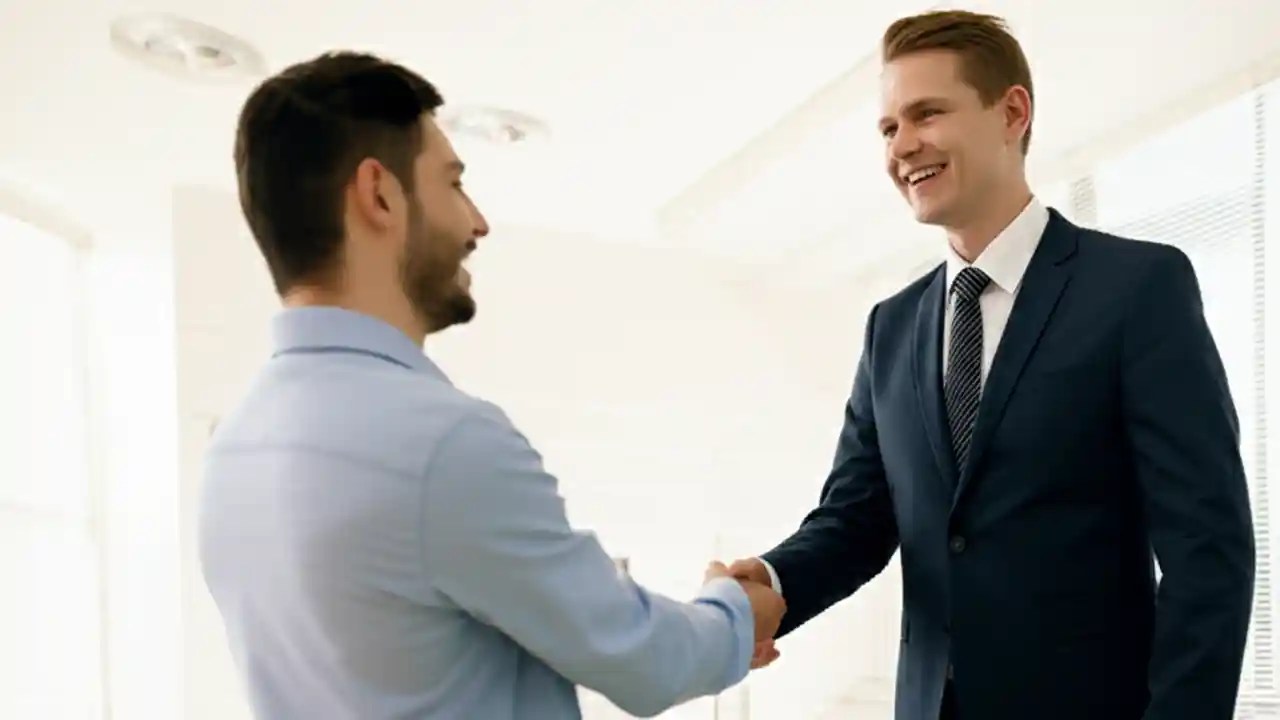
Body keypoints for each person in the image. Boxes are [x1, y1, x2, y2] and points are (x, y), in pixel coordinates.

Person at [197, 51, 785, 720]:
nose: (477, 222)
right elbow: (645, 662)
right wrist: (736, 609)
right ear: (379, 195)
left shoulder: (231, 452)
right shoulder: (442, 443)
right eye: (453, 184)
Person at [725, 10, 1255, 720]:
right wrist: (769, 583)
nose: (902, 146)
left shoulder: (1137, 289)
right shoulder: (891, 328)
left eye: (926, 114)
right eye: (888, 128)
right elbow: (855, 523)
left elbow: (1207, 551)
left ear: (1012, 112)